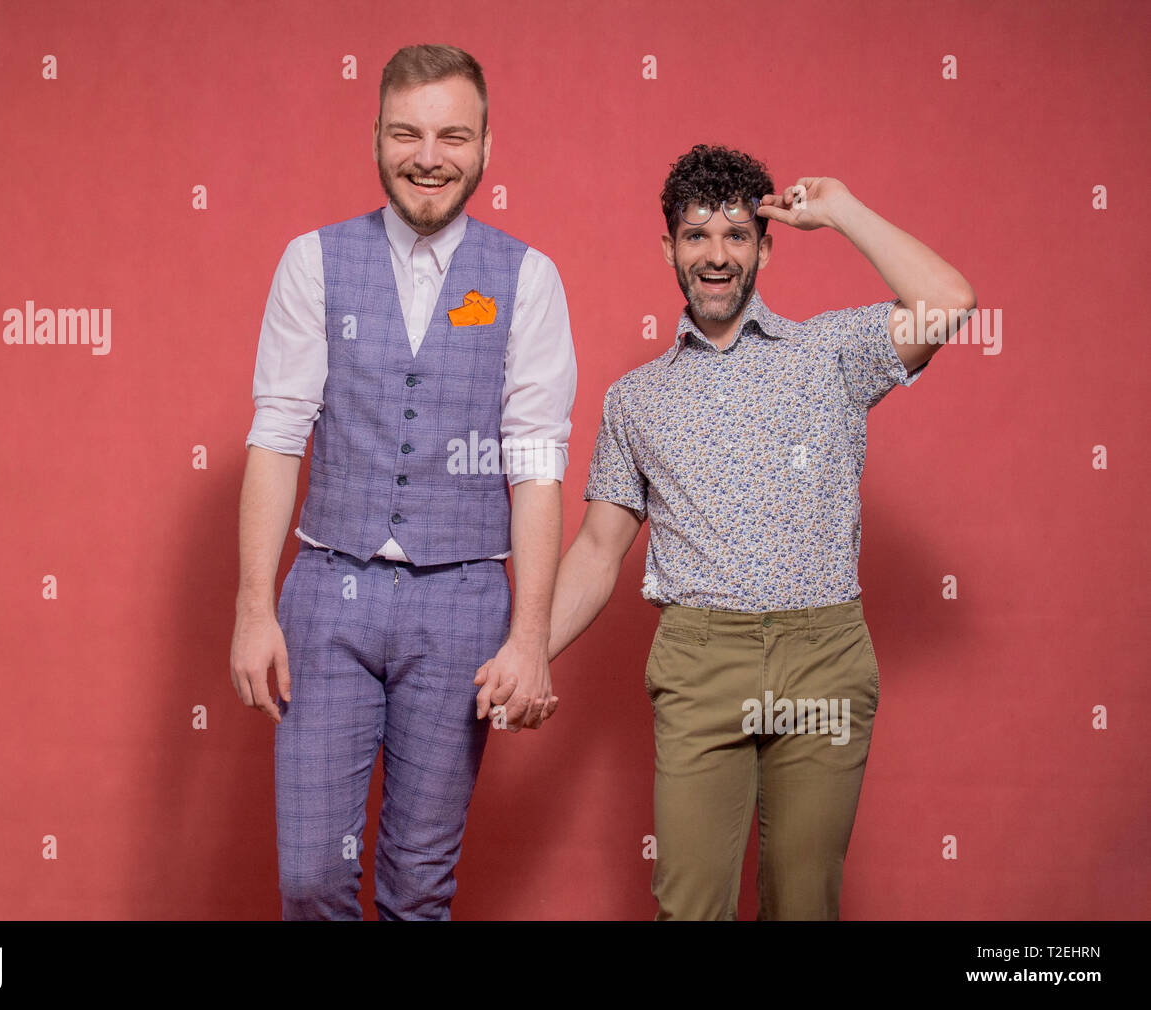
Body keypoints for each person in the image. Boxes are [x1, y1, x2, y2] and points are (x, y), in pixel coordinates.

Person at [540, 144, 975, 920]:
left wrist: (840, 210)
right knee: (690, 907)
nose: (716, 254)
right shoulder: (635, 400)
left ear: (766, 247)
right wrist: (524, 652)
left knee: (804, 905)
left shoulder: (830, 353)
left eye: (737, 234)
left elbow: (949, 300)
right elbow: (599, 551)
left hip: (824, 656)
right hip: (700, 664)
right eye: (696, 235)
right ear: (669, 248)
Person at [230, 43, 576, 920]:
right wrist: (253, 607)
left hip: (462, 605)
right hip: (326, 599)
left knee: (417, 886)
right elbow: (276, 437)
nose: (429, 155)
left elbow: (537, 465)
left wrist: (530, 634)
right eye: (407, 133)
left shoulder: (527, 279)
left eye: (453, 134)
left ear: (486, 147)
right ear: (376, 139)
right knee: (311, 876)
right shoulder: (312, 262)